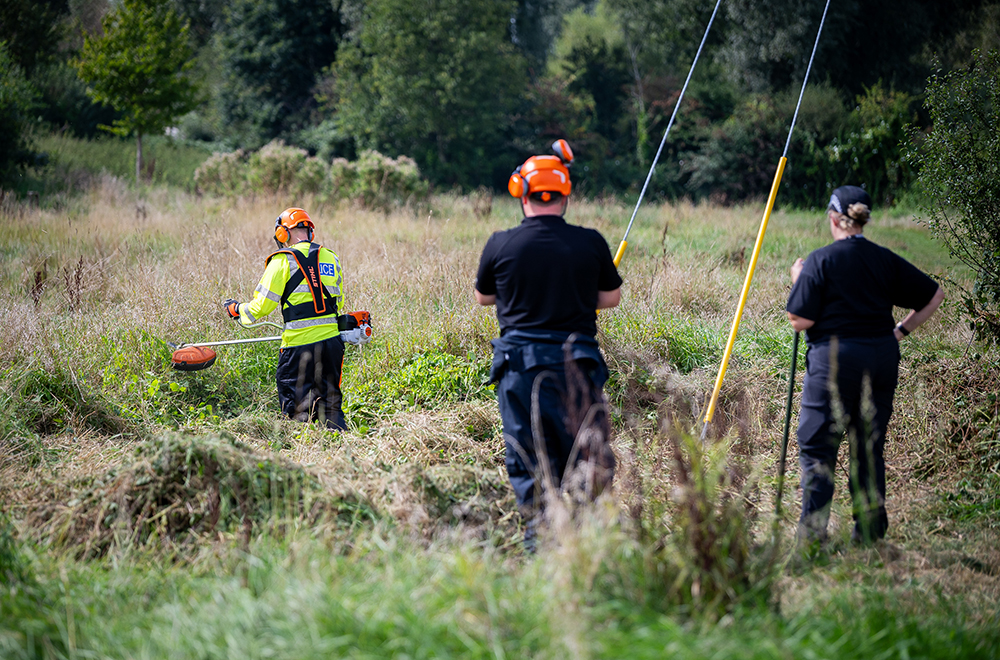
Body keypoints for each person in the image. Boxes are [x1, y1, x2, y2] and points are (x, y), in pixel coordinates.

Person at [474, 140, 623, 550]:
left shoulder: (500, 243)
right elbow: (611, 298)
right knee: (585, 459)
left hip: (520, 369)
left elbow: (484, 296)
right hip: (577, 366)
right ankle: (588, 547)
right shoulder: (590, 241)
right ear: (564, 195)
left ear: (520, 193)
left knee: (529, 458)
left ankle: (540, 547)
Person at [786, 185, 944, 546]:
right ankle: (870, 534)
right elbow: (934, 294)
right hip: (880, 358)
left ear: (833, 218)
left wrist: (798, 279)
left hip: (834, 362)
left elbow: (799, 319)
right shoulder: (884, 258)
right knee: (867, 444)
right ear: (863, 219)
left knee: (817, 446)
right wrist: (899, 331)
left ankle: (812, 539)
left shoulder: (820, 261)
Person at [224, 207, 348, 430]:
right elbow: (338, 303)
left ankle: (301, 454)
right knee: (331, 407)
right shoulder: (332, 258)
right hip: (332, 346)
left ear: (283, 233)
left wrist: (237, 310)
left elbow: (260, 308)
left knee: (296, 412)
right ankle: (340, 448)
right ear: (310, 232)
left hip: (298, 349)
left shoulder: (282, 261)